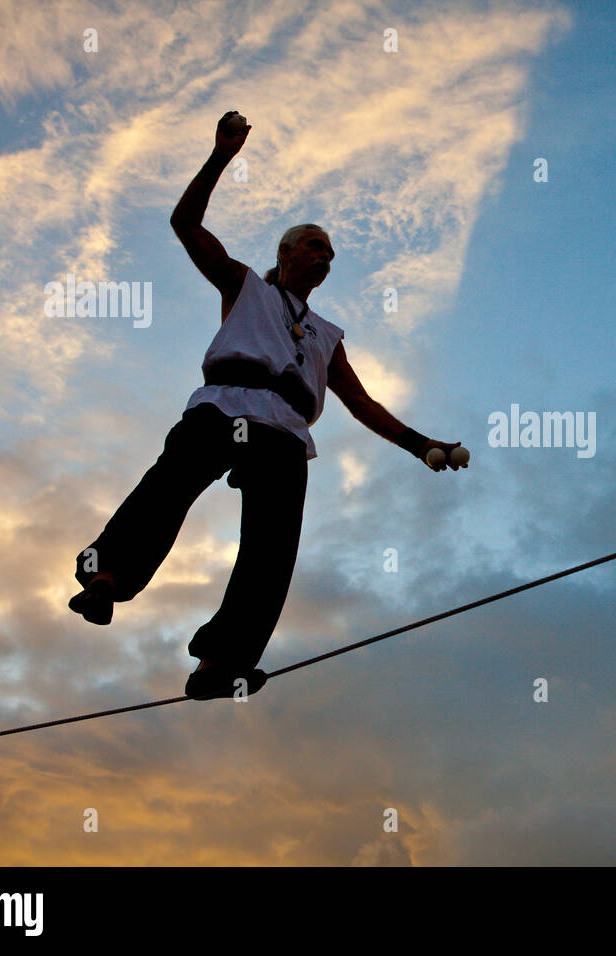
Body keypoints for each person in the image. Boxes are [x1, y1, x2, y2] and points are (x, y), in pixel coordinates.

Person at [69, 111, 466, 700]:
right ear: (284, 252)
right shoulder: (245, 284)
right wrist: (221, 157)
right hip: (227, 403)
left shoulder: (327, 334)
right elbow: (185, 223)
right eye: (314, 247)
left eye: (331, 254)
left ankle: (221, 662)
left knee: (272, 546)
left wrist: (422, 444)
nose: (324, 258)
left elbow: (360, 401)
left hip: (283, 429)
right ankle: (106, 576)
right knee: (166, 487)